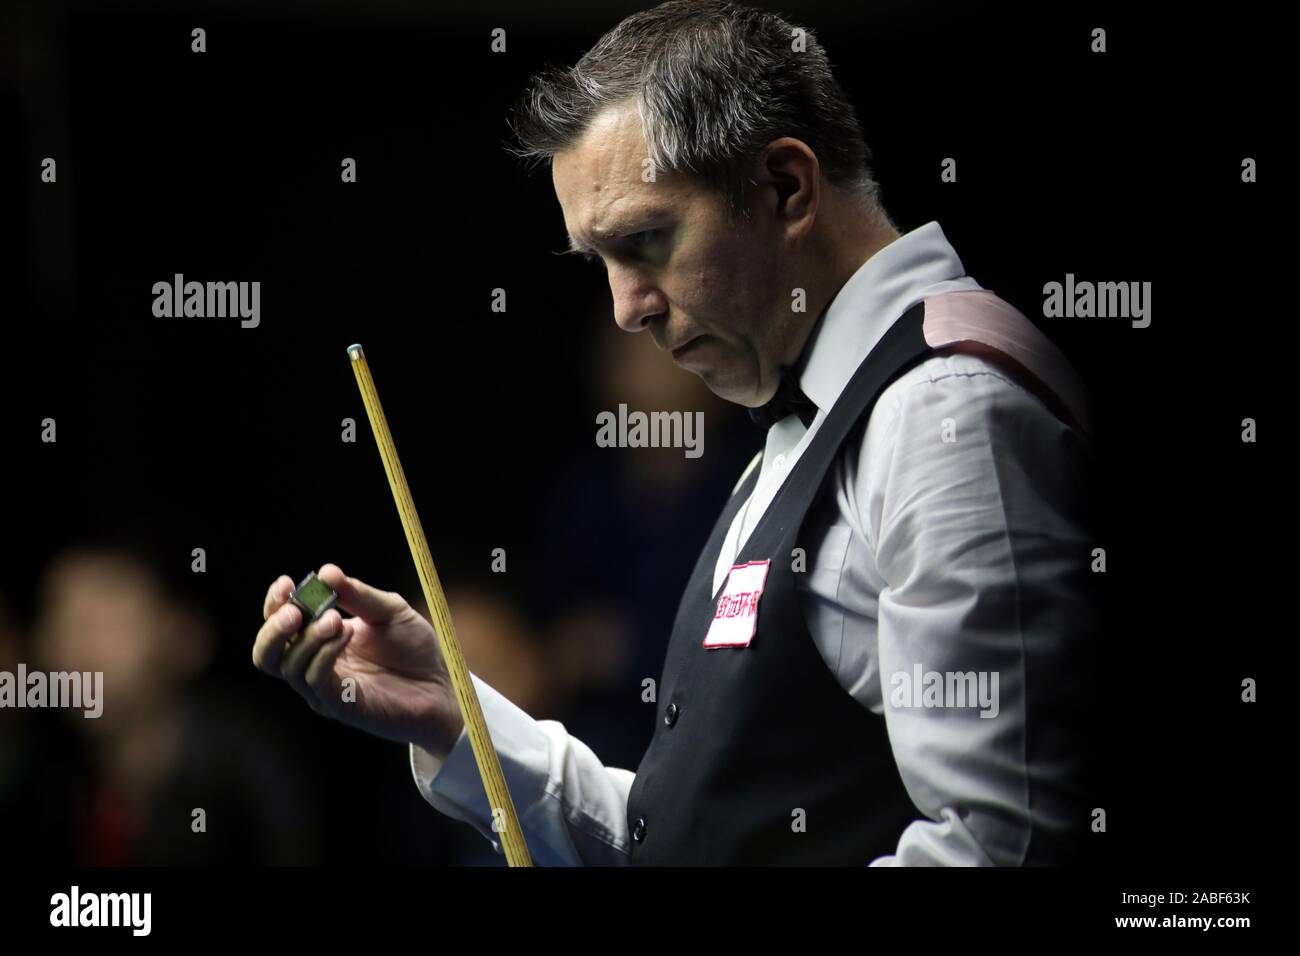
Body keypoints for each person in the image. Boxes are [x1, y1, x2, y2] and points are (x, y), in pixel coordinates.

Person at [252, 0, 1098, 865]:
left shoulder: (945, 410)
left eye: (647, 241)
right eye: (602, 264)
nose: (626, 309)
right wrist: (454, 710)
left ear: (787, 188)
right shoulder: (803, 419)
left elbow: (1005, 848)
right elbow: (685, 836)